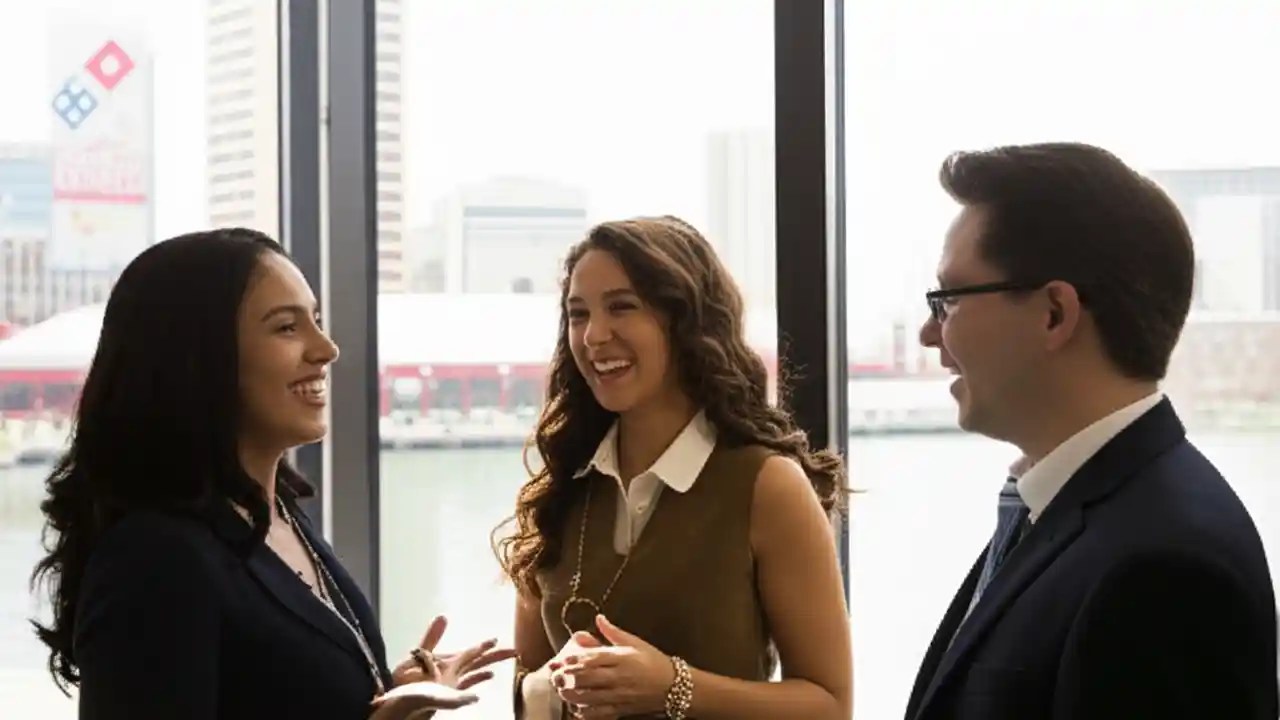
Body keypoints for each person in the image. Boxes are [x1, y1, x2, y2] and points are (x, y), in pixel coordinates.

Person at [29, 228, 515, 720]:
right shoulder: (154, 559)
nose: (326, 348)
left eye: (317, 321)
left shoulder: (275, 516)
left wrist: (387, 692)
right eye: (287, 327)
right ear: (199, 357)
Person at [907, 142, 1278, 719]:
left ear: (1054, 313)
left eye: (948, 299)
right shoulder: (1070, 508)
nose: (930, 335)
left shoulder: (1163, 570)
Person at [493, 216, 853, 720]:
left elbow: (830, 706)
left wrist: (673, 687)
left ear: (687, 320)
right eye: (578, 314)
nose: (594, 335)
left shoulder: (767, 485)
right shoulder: (559, 486)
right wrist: (555, 689)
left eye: (622, 306)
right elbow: (525, 685)